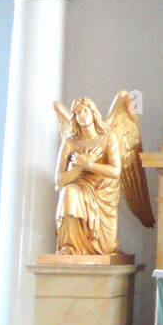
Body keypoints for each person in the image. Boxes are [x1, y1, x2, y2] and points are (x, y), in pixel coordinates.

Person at [55, 99, 123, 255]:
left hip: (102, 195)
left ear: (93, 113)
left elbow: (115, 171)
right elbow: (59, 180)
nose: (82, 116)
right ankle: (69, 245)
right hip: (79, 187)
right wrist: (79, 169)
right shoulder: (70, 142)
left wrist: (90, 166)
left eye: (85, 111)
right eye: (78, 113)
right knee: (69, 192)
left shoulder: (107, 138)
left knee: (108, 248)